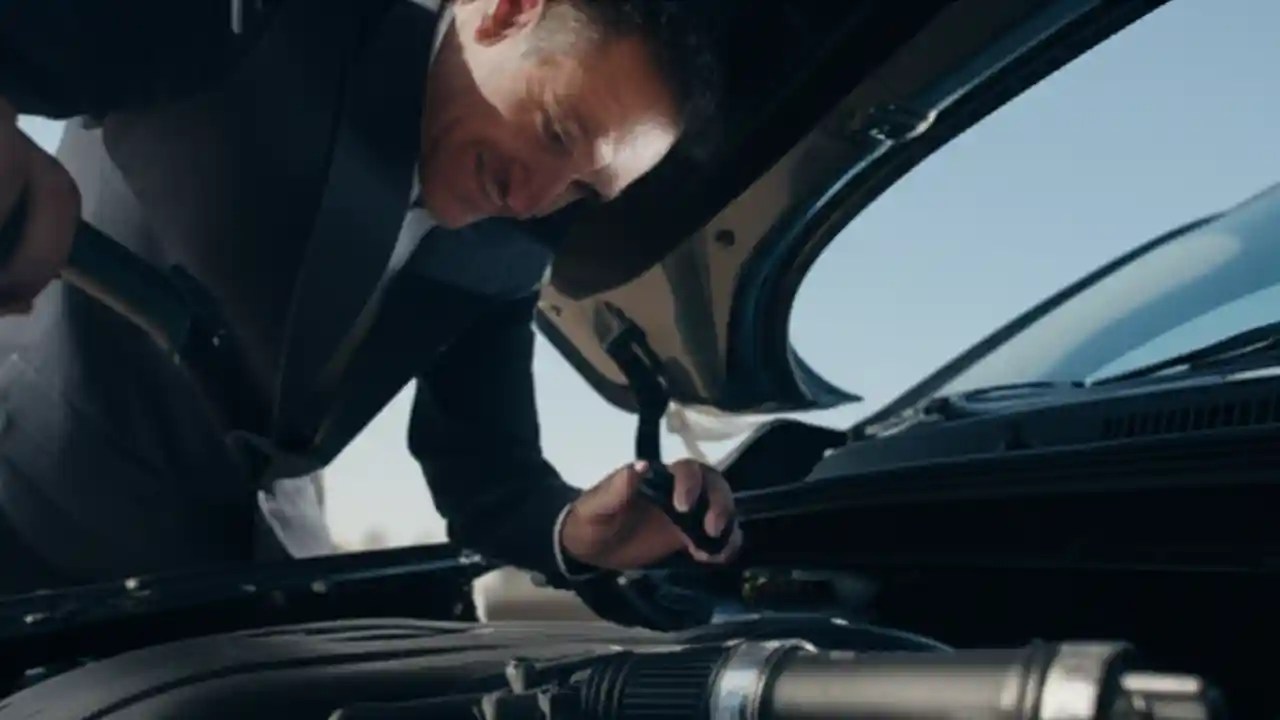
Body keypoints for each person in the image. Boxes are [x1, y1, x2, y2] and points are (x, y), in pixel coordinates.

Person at [0, 0, 740, 594]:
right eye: (554, 132)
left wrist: (576, 532)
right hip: (23, 516)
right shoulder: (279, 19)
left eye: (583, 188)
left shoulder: (511, 251)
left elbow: (485, 466)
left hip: (219, 595)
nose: (535, 200)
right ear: (506, 13)